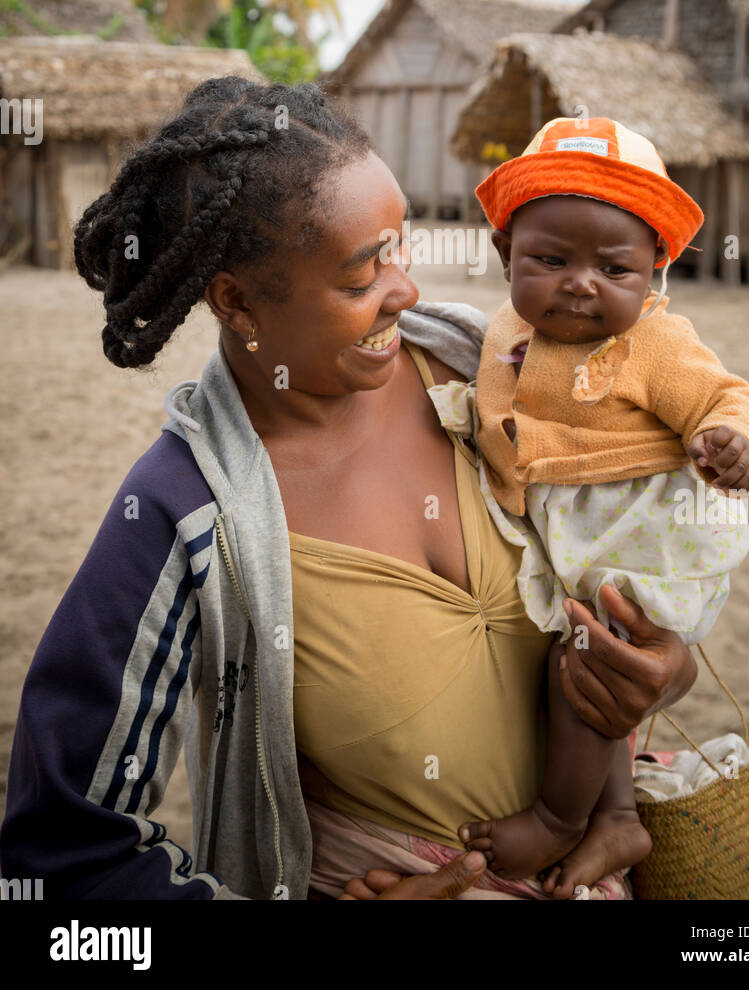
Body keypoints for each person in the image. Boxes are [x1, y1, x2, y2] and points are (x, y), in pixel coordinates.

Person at [0, 83, 698, 901]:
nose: (403, 290)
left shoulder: (497, 380)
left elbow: (640, 550)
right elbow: (62, 857)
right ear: (237, 300)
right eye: (364, 271)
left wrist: (664, 667)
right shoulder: (183, 515)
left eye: (399, 249)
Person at [428, 117, 749, 897]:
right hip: (588, 542)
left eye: (613, 269)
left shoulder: (655, 342)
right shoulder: (506, 334)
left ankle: (558, 816)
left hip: (650, 542)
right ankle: (618, 818)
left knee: (584, 661)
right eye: (550, 260)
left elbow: (726, 396)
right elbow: (497, 412)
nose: (580, 283)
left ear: (652, 273)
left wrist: (732, 441)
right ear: (505, 254)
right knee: (592, 666)